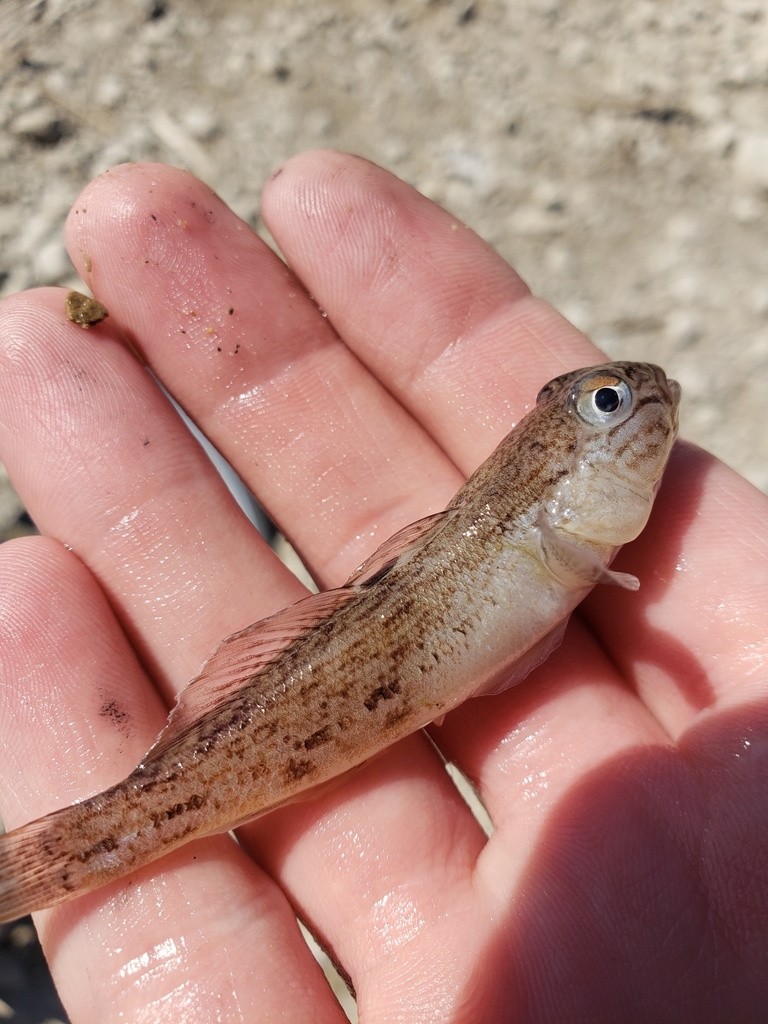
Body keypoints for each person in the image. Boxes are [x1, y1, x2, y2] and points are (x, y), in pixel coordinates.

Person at [0, 152, 765, 1023]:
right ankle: (75, 849)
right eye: (604, 404)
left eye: (608, 401)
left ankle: (88, 841)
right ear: (547, 477)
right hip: (328, 686)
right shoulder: (533, 526)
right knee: (149, 804)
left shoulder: (545, 530)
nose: (641, 402)